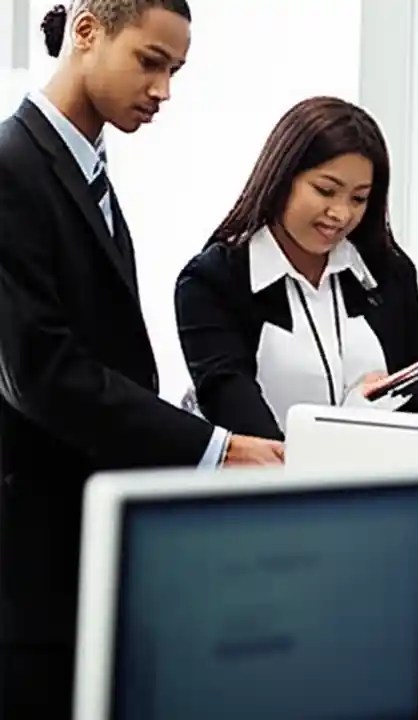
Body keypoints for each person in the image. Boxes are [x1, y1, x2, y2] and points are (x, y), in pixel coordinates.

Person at [0, 2, 282, 715]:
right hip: (31, 568)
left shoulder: (85, 169)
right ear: (86, 31)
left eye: (175, 71)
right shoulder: (11, 168)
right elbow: (41, 374)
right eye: (151, 63)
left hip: (94, 555)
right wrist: (216, 448)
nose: (163, 91)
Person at [175, 96, 418, 439]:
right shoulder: (212, 280)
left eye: (359, 198)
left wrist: (377, 409)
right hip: (266, 484)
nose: (341, 213)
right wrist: (327, 441)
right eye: (325, 190)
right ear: (282, 176)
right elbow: (230, 404)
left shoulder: (386, 270)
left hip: (368, 477)